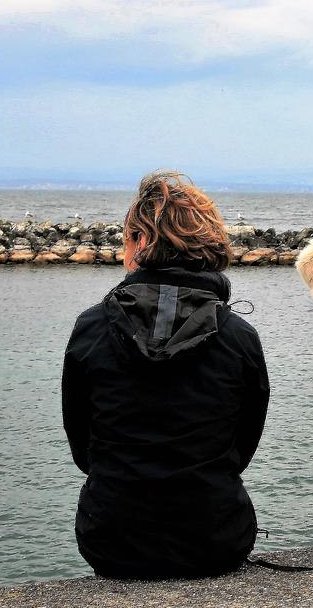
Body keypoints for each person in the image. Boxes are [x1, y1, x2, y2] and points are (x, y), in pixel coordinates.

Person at [61, 171, 270, 578]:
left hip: (109, 541)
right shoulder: (239, 337)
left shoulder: (91, 327)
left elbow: (82, 447)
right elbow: (243, 446)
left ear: (140, 242)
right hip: (216, 540)